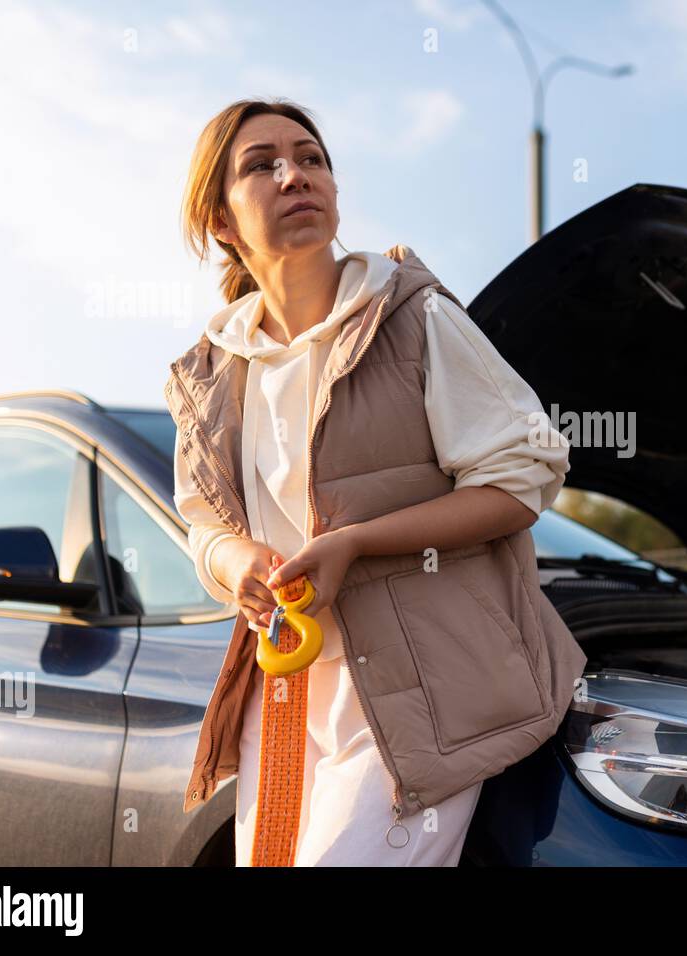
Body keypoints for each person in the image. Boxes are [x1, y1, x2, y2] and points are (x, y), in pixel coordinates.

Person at [172, 97, 573, 866]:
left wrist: (355, 544)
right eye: (262, 165)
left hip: (420, 689)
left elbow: (524, 480)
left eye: (311, 159)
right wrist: (236, 564)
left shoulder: (410, 315)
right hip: (284, 689)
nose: (296, 176)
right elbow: (203, 524)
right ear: (220, 220)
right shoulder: (208, 372)